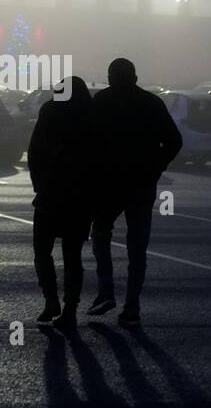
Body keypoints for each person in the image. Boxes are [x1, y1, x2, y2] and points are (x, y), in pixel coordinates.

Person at [88, 57, 183, 326]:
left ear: (111, 77)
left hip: (109, 183)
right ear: (135, 77)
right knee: (137, 246)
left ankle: (106, 291)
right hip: (142, 183)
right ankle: (132, 304)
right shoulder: (151, 103)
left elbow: (86, 141)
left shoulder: (102, 102)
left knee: (101, 233)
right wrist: (156, 167)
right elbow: (174, 140)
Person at [27, 76, 94, 329]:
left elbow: (34, 150)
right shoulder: (90, 116)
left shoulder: (50, 111)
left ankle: (50, 300)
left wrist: (39, 183)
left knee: (42, 251)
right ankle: (70, 309)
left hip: (50, 194)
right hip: (81, 198)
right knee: (72, 256)